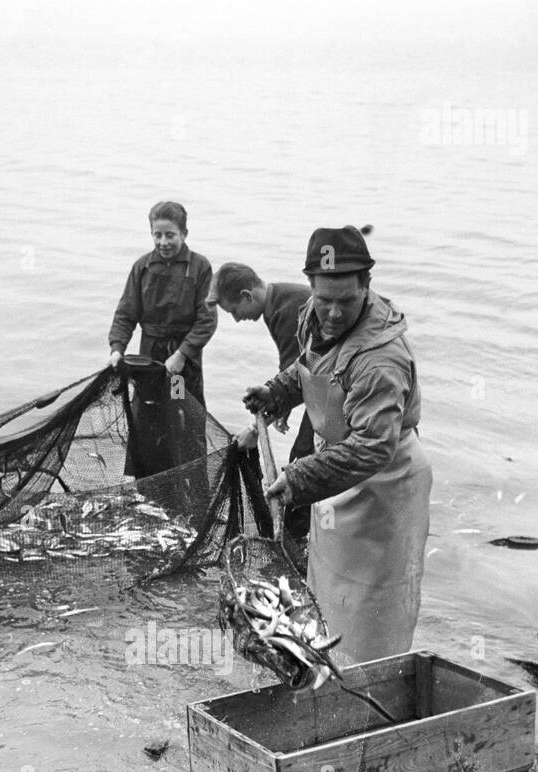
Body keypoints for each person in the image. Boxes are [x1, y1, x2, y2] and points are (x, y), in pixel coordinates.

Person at [243, 225, 432, 664]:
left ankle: (373, 686)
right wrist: (276, 393)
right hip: (336, 477)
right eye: (323, 299)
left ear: (366, 286)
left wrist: (298, 477)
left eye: (344, 302)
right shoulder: (314, 313)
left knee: (372, 612)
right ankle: (328, 673)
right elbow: (310, 367)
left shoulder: (380, 358)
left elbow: (372, 448)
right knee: (328, 595)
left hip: (385, 486)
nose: (330, 313)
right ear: (311, 285)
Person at [206, 261, 315, 535]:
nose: (235, 318)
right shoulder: (276, 302)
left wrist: (256, 428)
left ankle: (295, 538)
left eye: (234, 311)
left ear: (246, 295)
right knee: (302, 459)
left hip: (335, 392)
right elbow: (294, 367)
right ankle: (305, 533)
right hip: (321, 385)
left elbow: (303, 372)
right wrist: (282, 409)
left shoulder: (287, 309)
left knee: (302, 463)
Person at [108, 200, 216, 408]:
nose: (163, 242)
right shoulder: (142, 267)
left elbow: (206, 321)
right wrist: (117, 349)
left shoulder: (199, 267)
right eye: (157, 235)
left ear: (184, 233)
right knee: (146, 409)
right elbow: (125, 314)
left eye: (170, 235)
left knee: (179, 410)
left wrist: (181, 355)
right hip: (148, 356)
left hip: (182, 361)